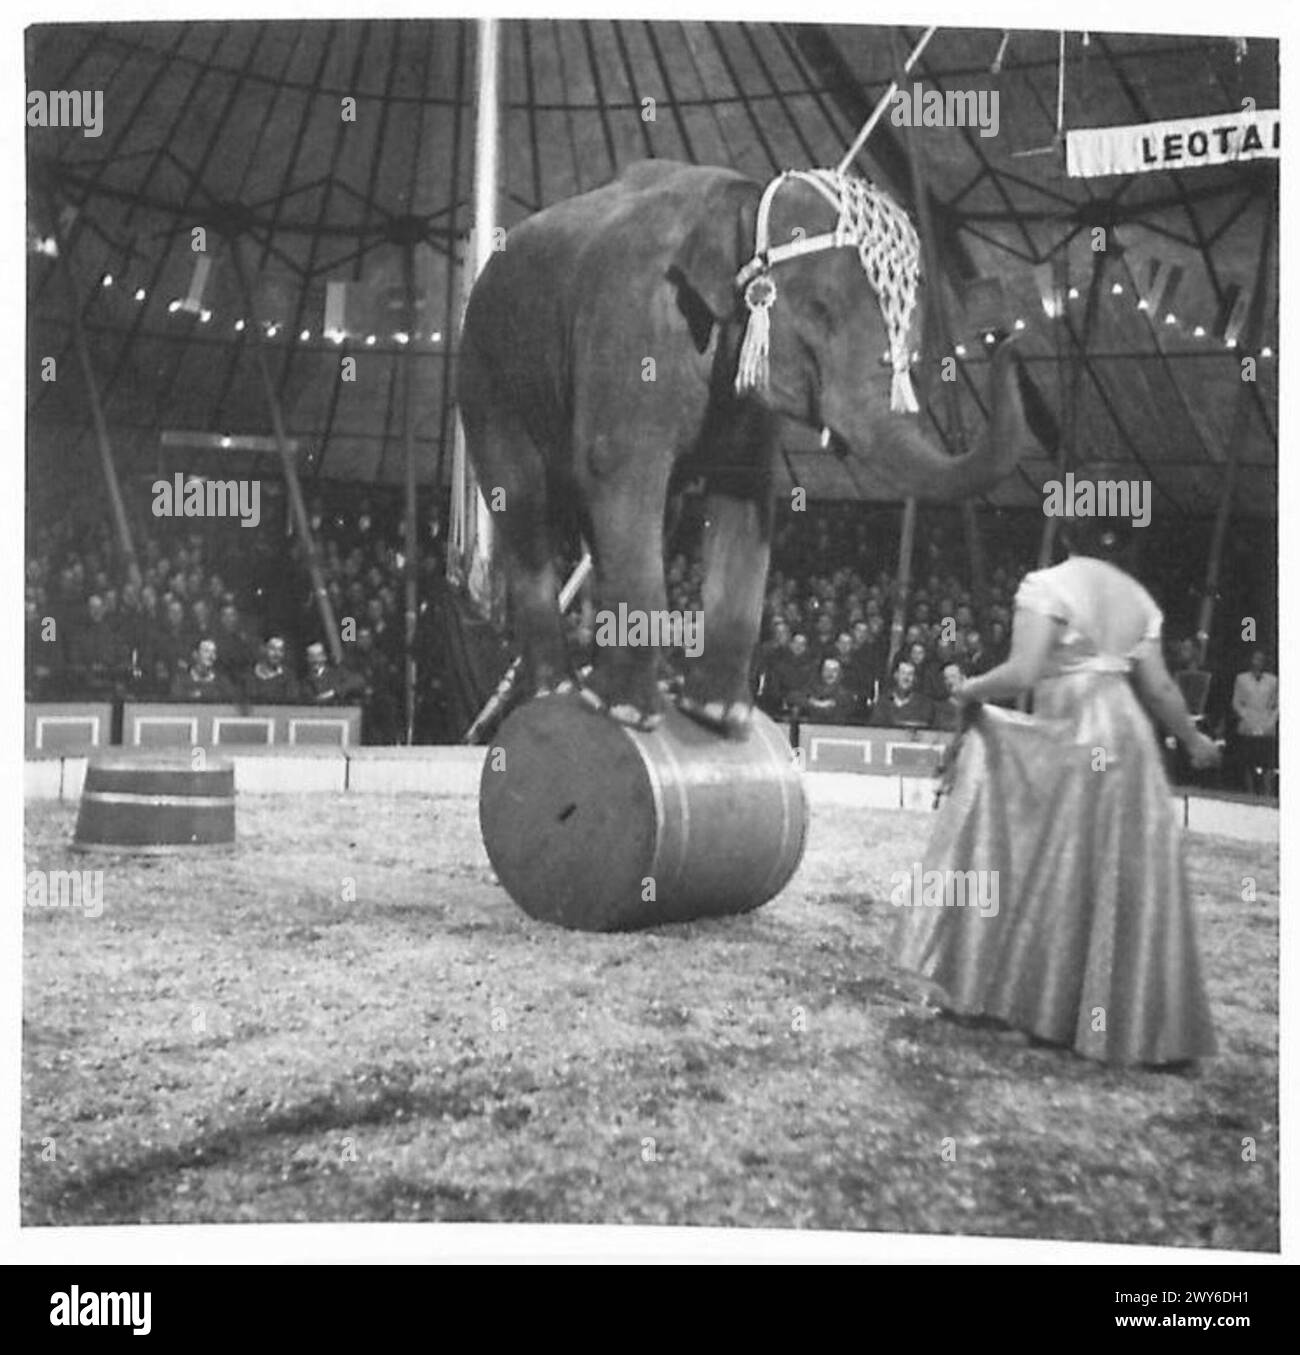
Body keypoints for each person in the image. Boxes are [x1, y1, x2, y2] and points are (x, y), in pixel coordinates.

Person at [893, 509, 1221, 1067]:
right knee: (1115, 876)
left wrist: (969, 689)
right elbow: (1162, 688)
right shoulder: (1138, 598)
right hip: (1129, 739)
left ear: (1070, 531)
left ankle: (1039, 1006)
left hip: (1073, 734)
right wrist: (1194, 741)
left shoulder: (1046, 586)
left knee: (1051, 866)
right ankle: (1128, 1025)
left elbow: (1022, 673)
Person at [1231, 649, 1278, 796]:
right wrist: (1246, 717)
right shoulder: (1241, 679)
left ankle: (1267, 792)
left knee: (1267, 763)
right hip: (1248, 726)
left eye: (1261, 659)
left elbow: (1277, 704)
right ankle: (1250, 793)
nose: (1258, 662)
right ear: (1250, 660)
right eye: (1255, 658)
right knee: (1248, 762)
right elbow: (1236, 702)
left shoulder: (1273, 680)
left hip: (1266, 726)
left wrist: (1271, 721)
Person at [869, 657, 934, 729]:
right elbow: (875, 729)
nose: (906, 678)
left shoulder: (924, 704)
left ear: (915, 678)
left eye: (910, 674)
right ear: (896, 676)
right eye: (903, 673)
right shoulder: (883, 702)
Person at [170, 638, 238, 703]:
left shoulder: (223, 682)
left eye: (213, 652)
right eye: (206, 651)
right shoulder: (181, 680)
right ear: (195, 654)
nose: (211, 656)